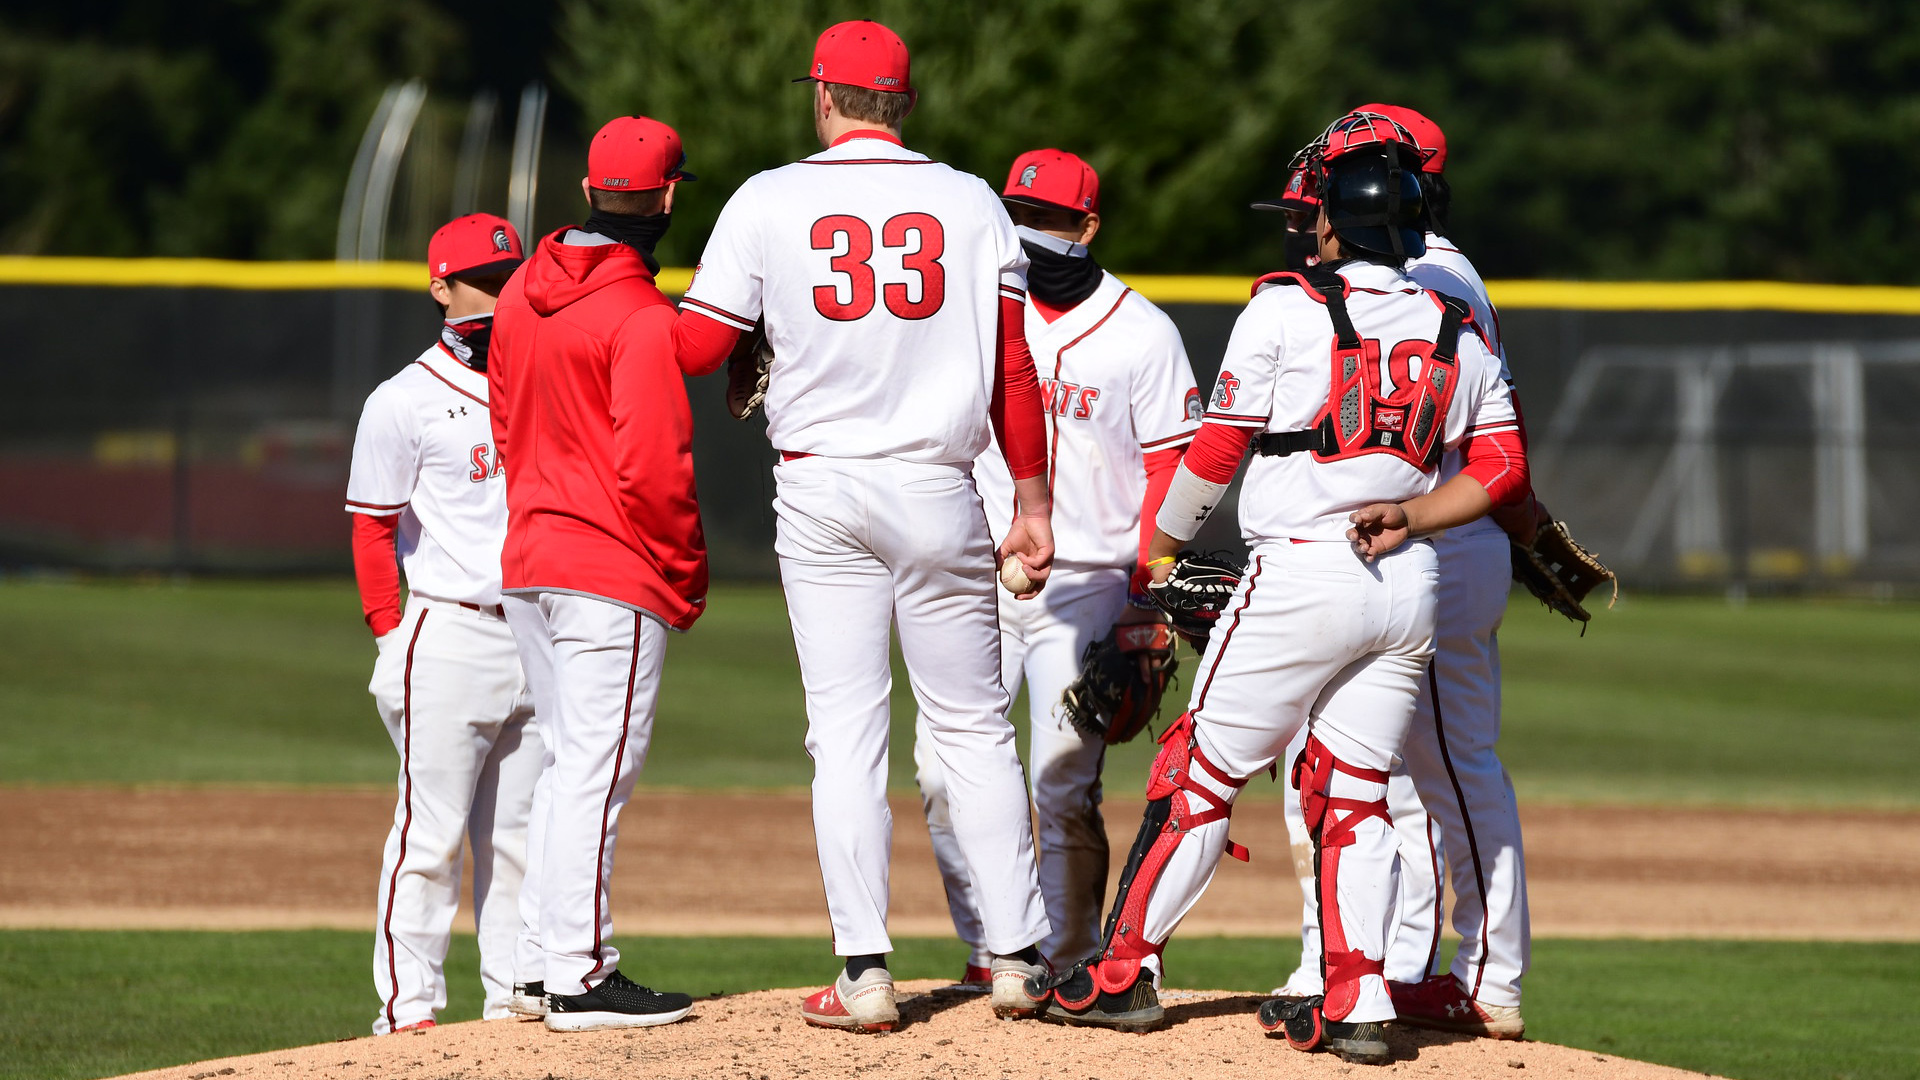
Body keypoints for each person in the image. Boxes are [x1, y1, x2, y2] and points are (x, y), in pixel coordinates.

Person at [1020, 118, 1530, 1067]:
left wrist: (1159, 554)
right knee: (1355, 791)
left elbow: (1215, 453)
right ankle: (1360, 999)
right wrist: (1414, 519)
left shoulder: (1285, 308)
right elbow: (1500, 468)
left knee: (1197, 770)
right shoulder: (1454, 322)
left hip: (1299, 568)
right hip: (1407, 582)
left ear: (1335, 223)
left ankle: (1122, 970)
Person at [673, 19, 1055, 1033]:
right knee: (972, 726)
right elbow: (1014, 368)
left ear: (823, 97)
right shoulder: (970, 200)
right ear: (907, 104)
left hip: (823, 486)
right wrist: (1033, 501)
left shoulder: (769, 197)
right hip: (939, 485)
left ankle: (866, 974)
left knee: (845, 732)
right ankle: (1016, 958)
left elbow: (697, 350)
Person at [1271, 104, 1537, 1040]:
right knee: (1393, 775)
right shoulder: (1429, 270)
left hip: (1435, 535)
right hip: (1425, 534)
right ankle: (1387, 969)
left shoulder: (1424, 274)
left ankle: (1480, 977)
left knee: (1441, 774)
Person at [913, 148, 1200, 977]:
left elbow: (1168, 472)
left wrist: (1147, 594)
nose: (1028, 233)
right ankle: (993, 947)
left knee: (1060, 784)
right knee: (940, 775)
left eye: (1046, 220)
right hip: (973, 574)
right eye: (1018, 216)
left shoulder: (1141, 331)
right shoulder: (970, 309)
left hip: (1088, 585)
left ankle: (1070, 960)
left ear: (1088, 227)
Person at [487, 115, 709, 1032]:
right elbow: (654, 468)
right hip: (609, 567)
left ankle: (543, 963)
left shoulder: (510, 299)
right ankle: (579, 975)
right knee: (596, 769)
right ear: (665, 198)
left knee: (564, 766)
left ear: (586, 195)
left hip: (529, 557)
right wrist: (685, 572)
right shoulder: (642, 317)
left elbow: (502, 429)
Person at [345, 213, 540, 1034]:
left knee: (524, 840)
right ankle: (410, 1012)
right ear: (440, 287)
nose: (499, 296)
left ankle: (517, 998)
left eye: (510, 280)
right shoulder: (403, 399)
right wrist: (391, 633)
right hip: (449, 627)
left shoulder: (545, 377)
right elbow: (370, 523)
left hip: (537, 628)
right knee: (431, 838)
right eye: (484, 283)